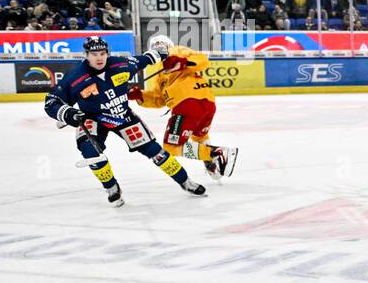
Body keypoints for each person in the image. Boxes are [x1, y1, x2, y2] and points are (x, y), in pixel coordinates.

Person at [44, 35, 205, 206]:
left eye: (102, 53)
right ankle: (111, 187)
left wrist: (161, 53)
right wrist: (68, 113)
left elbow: (146, 59)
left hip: (123, 116)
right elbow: (51, 102)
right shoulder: (75, 76)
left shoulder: (121, 64)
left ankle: (185, 181)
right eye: (93, 54)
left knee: (155, 151)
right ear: (86, 55)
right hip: (93, 118)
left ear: (108, 53)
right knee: (89, 151)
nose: (99, 58)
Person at [128, 35, 238, 180]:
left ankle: (216, 153)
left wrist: (182, 61)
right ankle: (212, 164)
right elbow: (159, 99)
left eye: (161, 45)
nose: (159, 48)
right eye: (155, 46)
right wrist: (139, 95)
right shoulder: (159, 73)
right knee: (200, 135)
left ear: (169, 45)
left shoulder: (177, 51)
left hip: (187, 104)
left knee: (171, 147)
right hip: (206, 104)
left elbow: (203, 60)